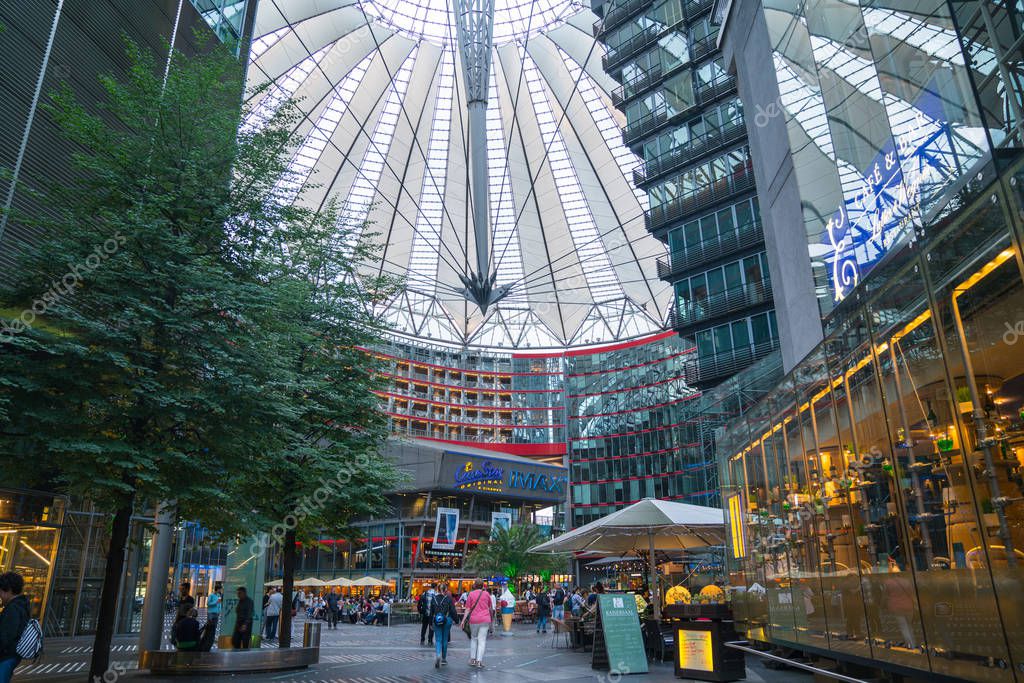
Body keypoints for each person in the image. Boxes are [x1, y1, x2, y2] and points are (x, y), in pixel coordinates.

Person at [0, 572, 30, 683]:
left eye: (1, 591)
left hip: (5, 656)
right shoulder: (22, 605)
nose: (0, 595)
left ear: (9, 590)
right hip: (12, 655)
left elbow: (5, 637)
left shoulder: (13, 609)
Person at [460, 580, 493, 669]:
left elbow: (467, 609)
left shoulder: (471, 594)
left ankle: (472, 659)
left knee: (474, 639)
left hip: (473, 620)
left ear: (475, 585)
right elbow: (490, 607)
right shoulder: (486, 594)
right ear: (482, 586)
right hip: (485, 619)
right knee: (482, 641)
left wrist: (463, 620)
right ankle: (479, 661)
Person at [431, 584, 458, 668]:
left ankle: (438, 654)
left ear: (438, 589)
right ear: (446, 589)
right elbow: (453, 611)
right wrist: (457, 620)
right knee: (445, 639)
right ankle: (443, 659)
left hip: (436, 620)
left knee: (438, 640)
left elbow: (431, 612)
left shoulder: (433, 598)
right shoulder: (448, 599)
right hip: (446, 620)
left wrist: (430, 623)